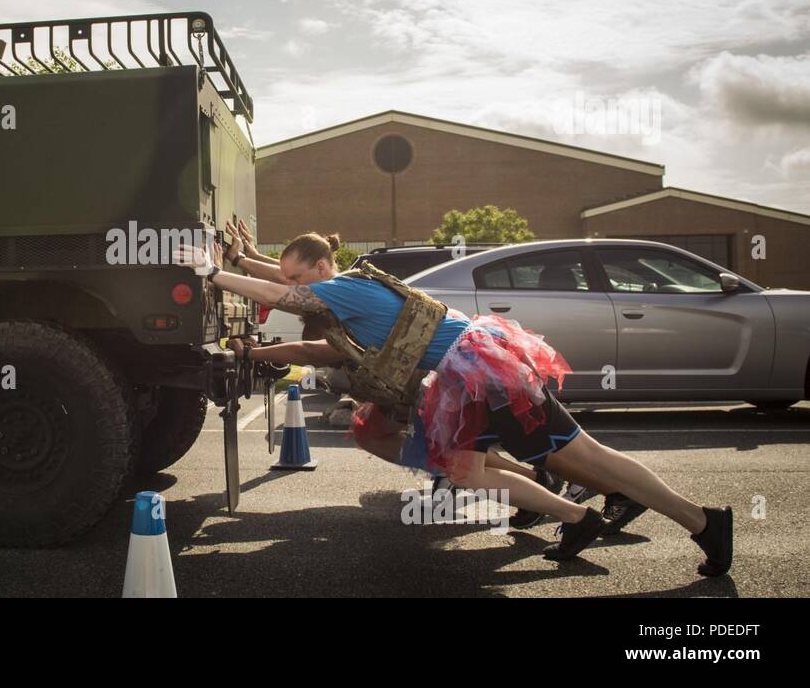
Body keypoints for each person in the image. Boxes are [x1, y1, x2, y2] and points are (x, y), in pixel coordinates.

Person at [178, 228, 730, 574]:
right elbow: (281, 280)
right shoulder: (341, 284)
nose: (294, 285)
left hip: (486, 376)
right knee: (465, 471)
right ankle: (578, 515)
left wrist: (214, 271)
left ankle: (702, 520)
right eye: (291, 275)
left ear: (321, 270)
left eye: (300, 276)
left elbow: (279, 291)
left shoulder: (340, 287)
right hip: (468, 378)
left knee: (588, 457)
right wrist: (245, 259)